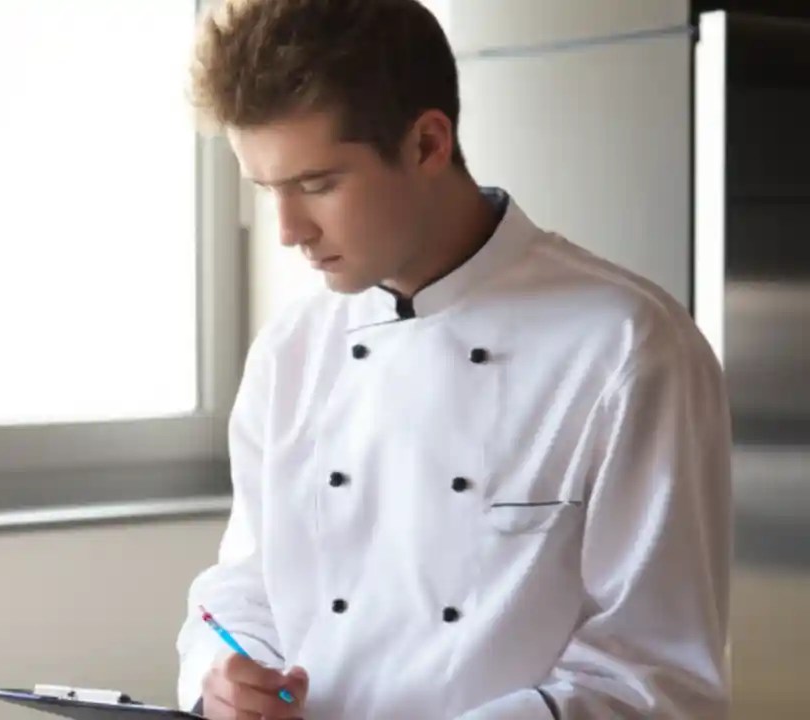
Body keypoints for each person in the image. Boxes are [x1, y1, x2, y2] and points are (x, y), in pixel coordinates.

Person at [174, 1, 733, 718]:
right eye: (266, 190)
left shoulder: (628, 347)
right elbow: (248, 585)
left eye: (317, 185)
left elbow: (658, 678)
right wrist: (228, 670)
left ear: (428, 143)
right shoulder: (292, 351)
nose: (288, 231)